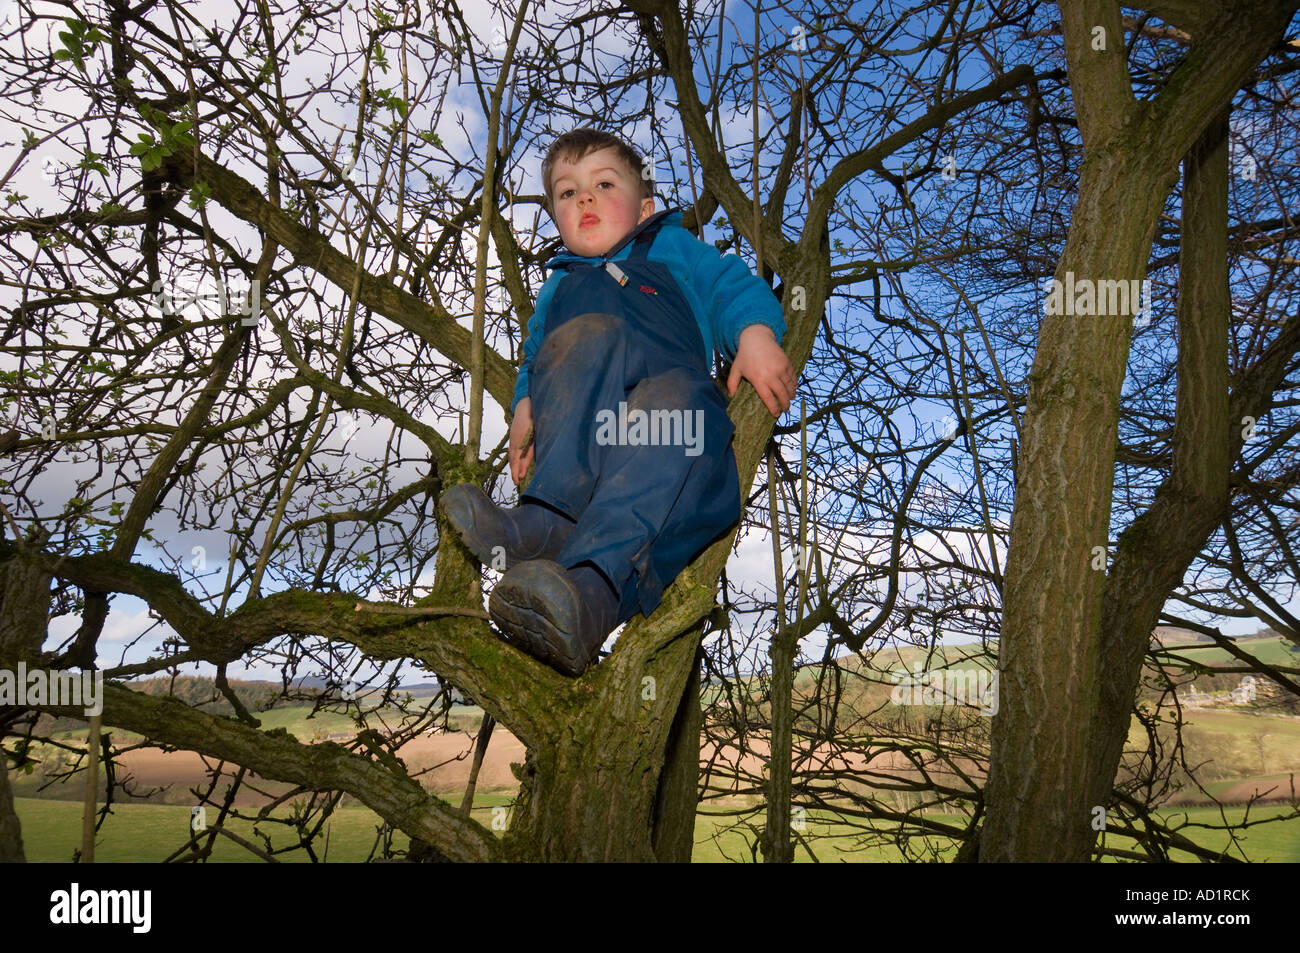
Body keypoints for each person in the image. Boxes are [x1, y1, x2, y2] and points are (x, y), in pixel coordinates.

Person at [442, 127, 795, 676]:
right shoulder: (558, 286)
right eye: (566, 192)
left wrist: (753, 334)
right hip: (579, 452)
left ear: (645, 206)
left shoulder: (671, 247)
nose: (583, 197)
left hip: (665, 441)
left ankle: (589, 595)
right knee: (582, 337)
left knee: (676, 405)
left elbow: (730, 285)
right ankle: (540, 526)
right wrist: (524, 405)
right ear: (557, 219)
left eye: (603, 184)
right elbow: (536, 355)